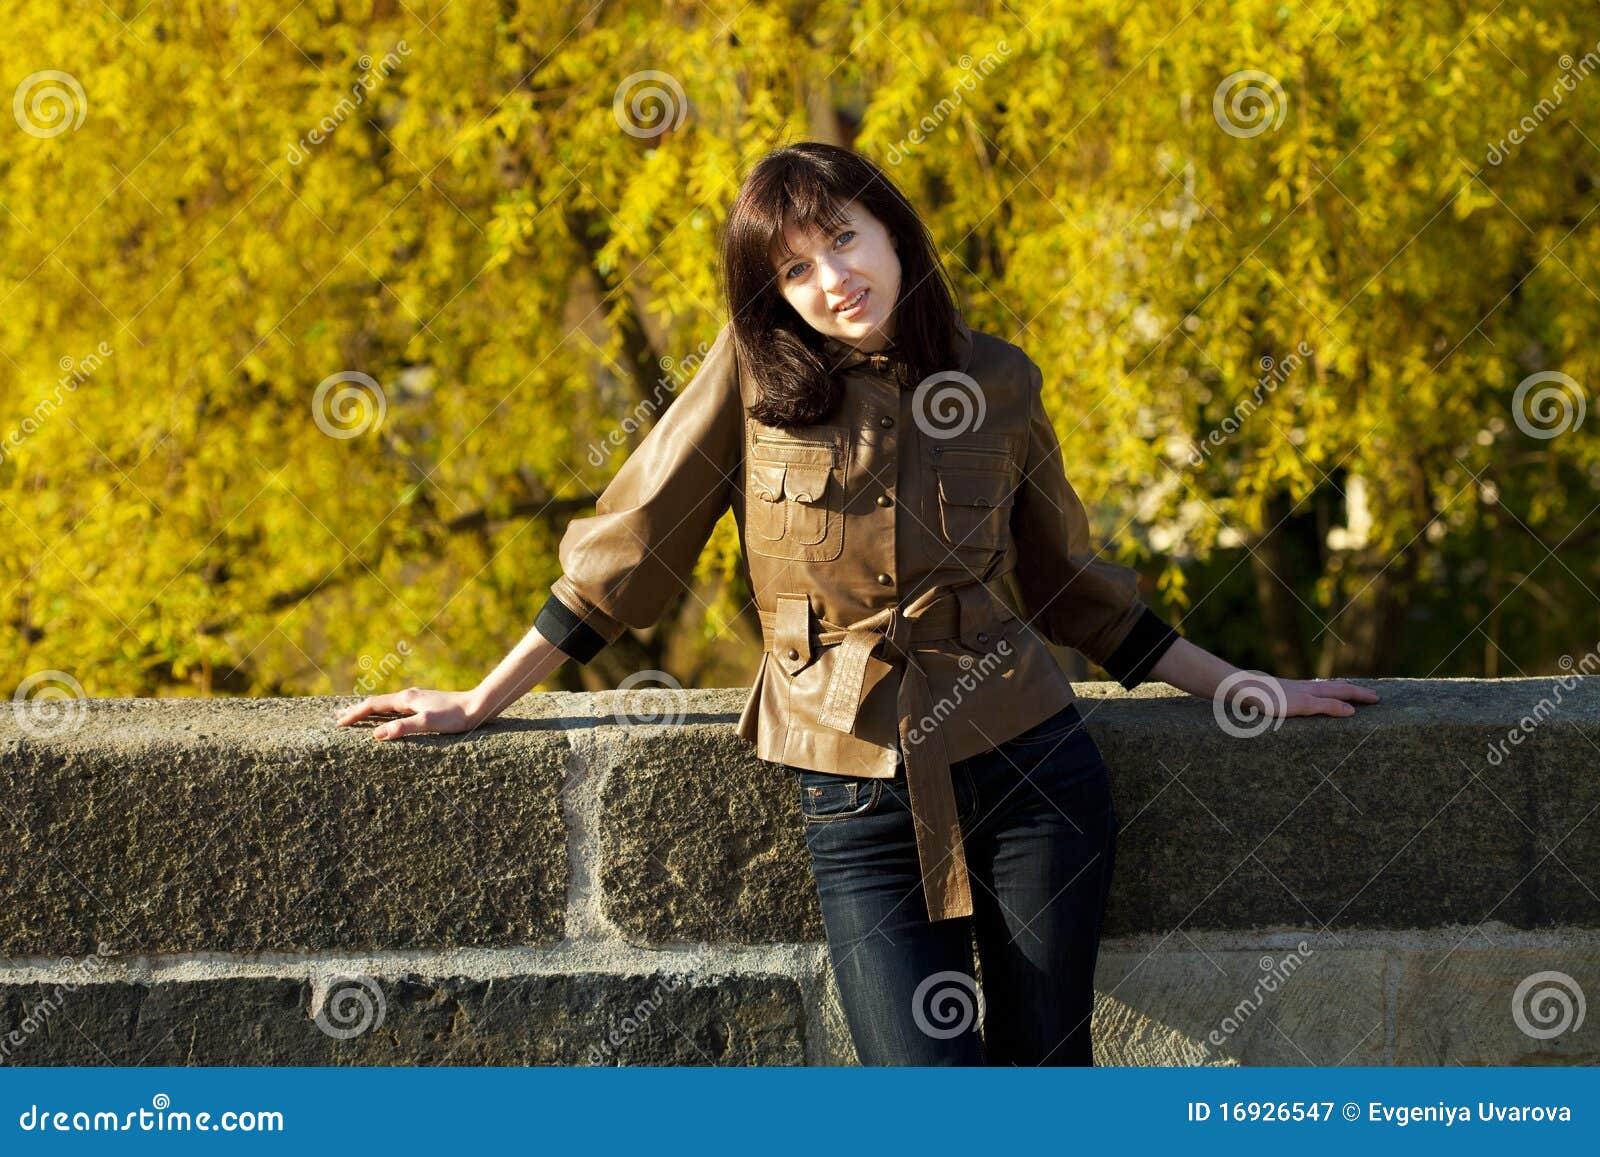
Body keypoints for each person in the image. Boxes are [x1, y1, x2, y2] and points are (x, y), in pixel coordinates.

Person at [336, 141, 1378, 1066]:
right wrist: (480, 698)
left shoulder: (998, 379)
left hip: (1033, 773)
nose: (831, 279)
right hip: (852, 789)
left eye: (844, 238)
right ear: (771, 293)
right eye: (794, 267)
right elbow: (628, 549)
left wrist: (1243, 684)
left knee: (1045, 1076)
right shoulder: (750, 381)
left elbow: (1073, 590)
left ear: (892, 232)